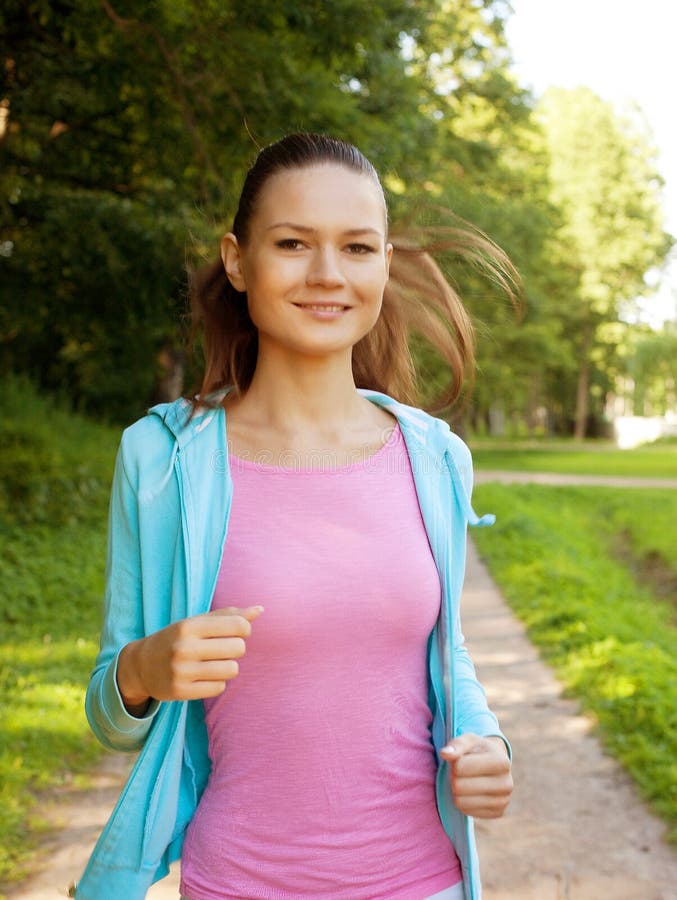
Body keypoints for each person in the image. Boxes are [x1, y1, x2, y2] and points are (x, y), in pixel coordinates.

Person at [77, 133, 513, 900]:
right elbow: (114, 717)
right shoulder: (161, 459)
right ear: (238, 260)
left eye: (355, 247)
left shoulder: (435, 456)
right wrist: (146, 669)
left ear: (381, 264)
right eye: (291, 243)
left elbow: (446, 655)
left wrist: (484, 742)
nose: (325, 274)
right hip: (236, 882)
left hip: (422, 882)